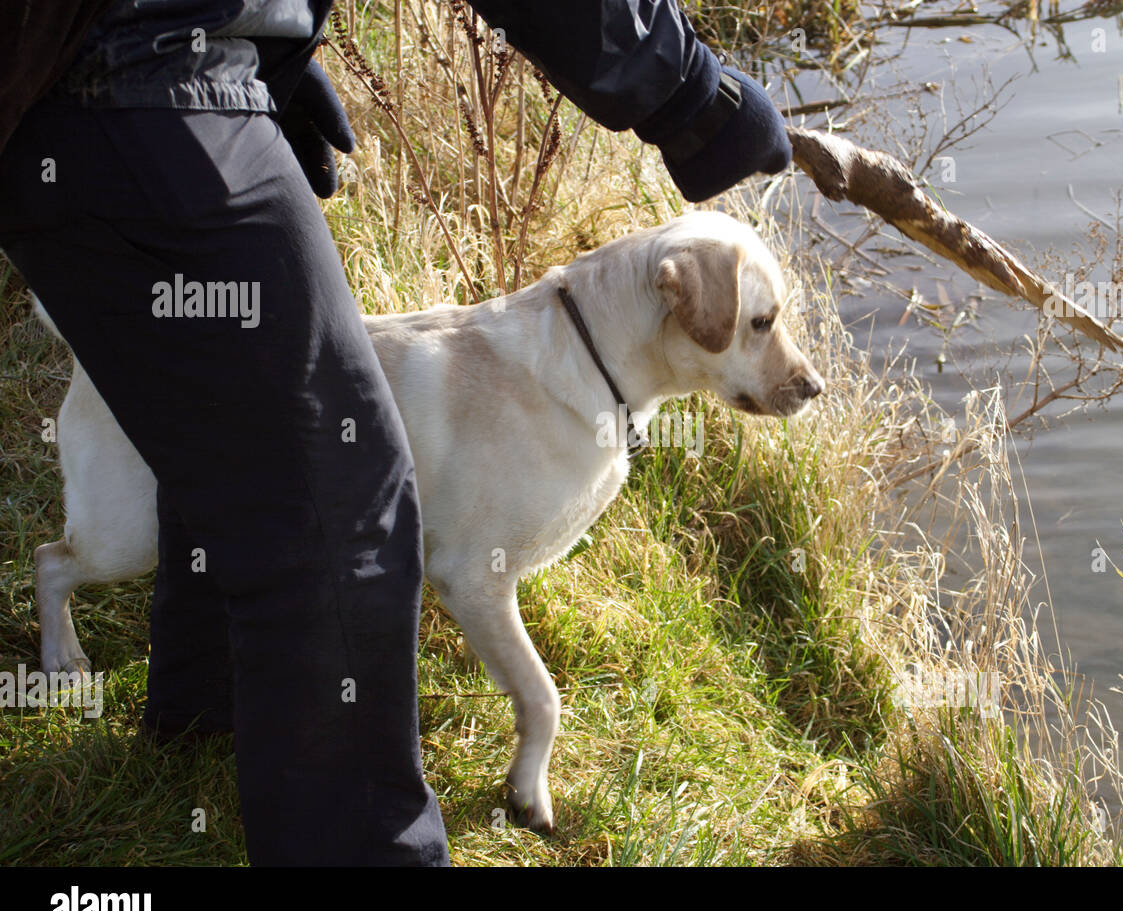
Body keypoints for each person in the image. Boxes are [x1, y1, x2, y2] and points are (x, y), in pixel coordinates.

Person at [0, 0, 791, 866]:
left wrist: (272, 54)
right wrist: (691, 91)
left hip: (126, 66)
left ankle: (207, 721)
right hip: (121, 74)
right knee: (344, 509)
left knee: (246, 433)